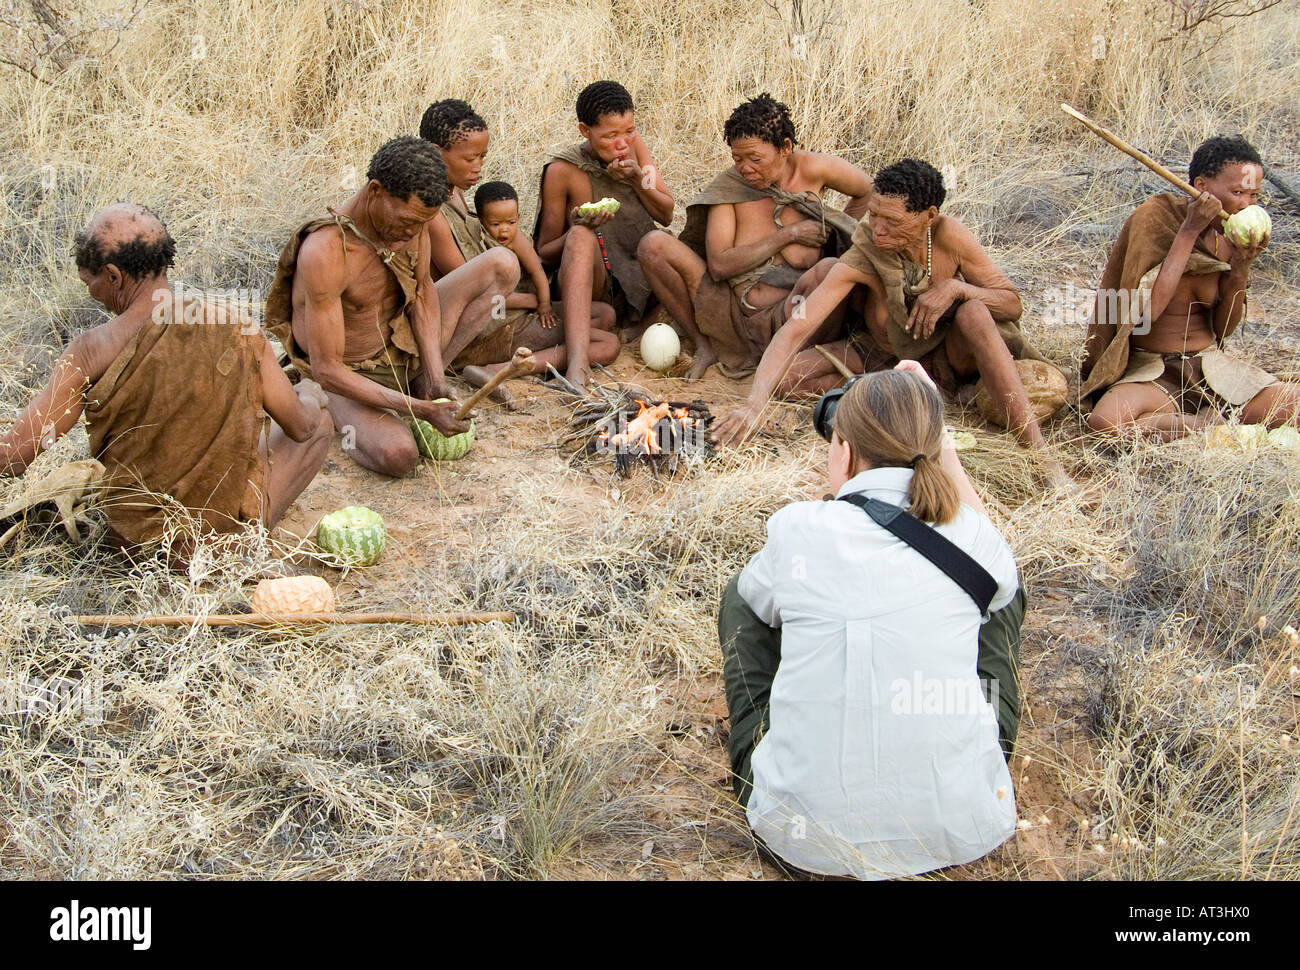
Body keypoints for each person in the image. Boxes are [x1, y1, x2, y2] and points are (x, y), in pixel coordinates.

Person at [718, 362, 1024, 879]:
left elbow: (760, 603)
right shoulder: (974, 538)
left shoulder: (799, 529)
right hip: (961, 824)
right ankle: (974, 753)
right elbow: (1001, 576)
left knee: (742, 598)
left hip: (801, 839)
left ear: (845, 449)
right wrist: (941, 446)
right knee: (997, 598)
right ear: (935, 447)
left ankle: (780, 748)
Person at [0, 203, 332, 552]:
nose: (91, 293)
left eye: (90, 282)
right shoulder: (238, 328)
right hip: (213, 542)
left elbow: (14, 456)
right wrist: (310, 395)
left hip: (131, 545)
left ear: (114, 276)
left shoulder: (89, 352)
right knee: (321, 422)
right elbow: (301, 428)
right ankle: (245, 543)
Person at [712, 160, 1060, 475]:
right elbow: (796, 328)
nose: (877, 229)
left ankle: (1041, 455)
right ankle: (900, 397)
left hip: (946, 356)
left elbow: (1011, 303)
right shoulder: (865, 249)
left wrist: (956, 289)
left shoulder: (950, 237)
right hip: (879, 358)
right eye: (874, 215)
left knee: (974, 313)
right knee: (788, 380)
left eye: (892, 222)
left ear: (928, 216)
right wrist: (754, 405)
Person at [264, 136, 518, 477]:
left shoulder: (414, 221)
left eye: (421, 224)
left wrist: (435, 376)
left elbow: (424, 293)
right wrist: (420, 410)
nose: (412, 232)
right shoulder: (326, 252)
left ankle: (427, 382)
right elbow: (326, 368)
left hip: (404, 351)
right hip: (346, 376)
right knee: (400, 456)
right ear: (375, 192)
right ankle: (344, 409)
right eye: (406, 223)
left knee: (503, 263)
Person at [639, 93, 873, 381]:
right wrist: (790, 235)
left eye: (755, 158)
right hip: (732, 316)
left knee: (830, 270)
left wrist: (838, 231)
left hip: (793, 319)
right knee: (654, 245)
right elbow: (720, 265)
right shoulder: (731, 189)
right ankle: (704, 345)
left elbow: (866, 189)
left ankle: (792, 359)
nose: (745, 168)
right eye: (737, 158)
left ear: (785, 147)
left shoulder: (814, 171)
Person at [1082, 134, 1300, 438]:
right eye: (1237, 192)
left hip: (1212, 369)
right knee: (1105, 424)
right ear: (1202, 187)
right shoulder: (1156, 219)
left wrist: (1241, 266)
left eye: (1254, 196)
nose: (1245, 205)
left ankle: (1197, 424)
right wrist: (1188, 231)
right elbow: (1146, 316)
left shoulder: (1229, 237)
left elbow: (1223, 330)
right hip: (1155, 372)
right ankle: (1211, 425)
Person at [533, 80, 674, 385]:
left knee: (666, 245)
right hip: (591, 285)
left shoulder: (634, 149)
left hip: (634, 281)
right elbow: (543, 251)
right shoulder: (562, 171)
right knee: (582, 237)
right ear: (585, 131)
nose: (622, 143)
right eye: (610, 136)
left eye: (629, 131)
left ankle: (640, 323)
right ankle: (577, 365)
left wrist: (638, 179)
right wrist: (578, 226)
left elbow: (666, 213)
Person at [472, 180, 619, 380]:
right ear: (481, 221)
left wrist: (544, 305)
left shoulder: (515, 239)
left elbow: (537, 271)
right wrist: (532, 301)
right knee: (609, 344)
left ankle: (553, 354)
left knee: (606, 314)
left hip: (530, 313)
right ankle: (503, 369)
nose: (504, 230)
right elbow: (481, 298)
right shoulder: (477, 241)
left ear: (518, 218)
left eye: (511, 223)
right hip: (507, 322)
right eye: (496, 224)